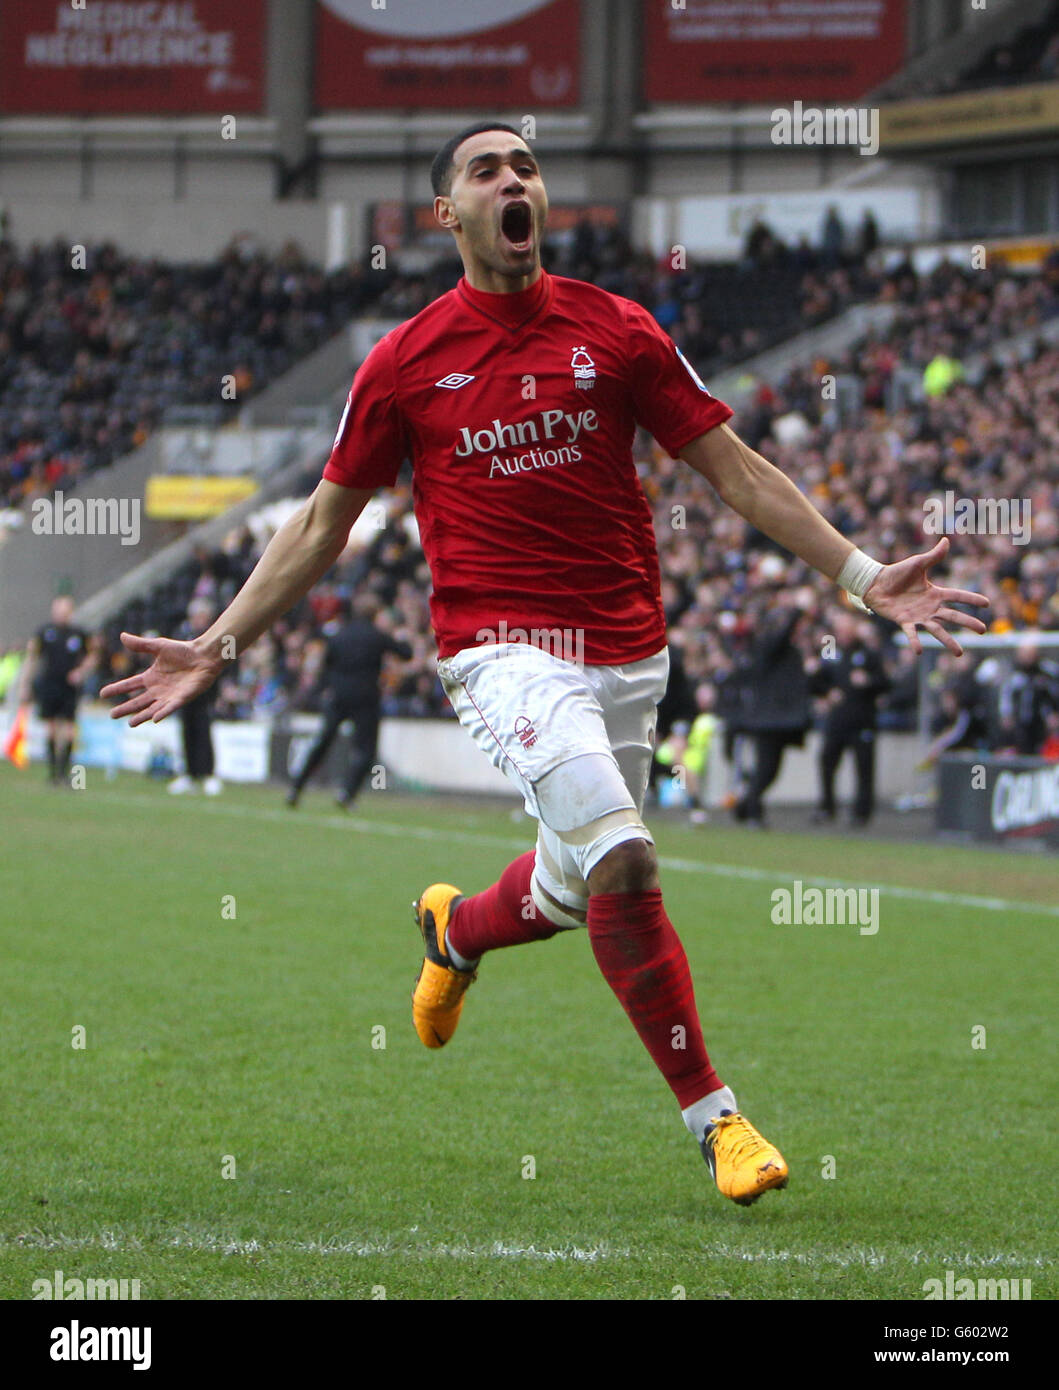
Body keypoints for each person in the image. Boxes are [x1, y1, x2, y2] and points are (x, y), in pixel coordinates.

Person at [101, 121, 989, 1208]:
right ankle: (718, 1120)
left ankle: (455, 928)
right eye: (488, 169)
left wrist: (861, 574)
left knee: (573, 885)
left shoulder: (618, 330)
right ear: (449, 214)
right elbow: (321, 524)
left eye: (526, 165)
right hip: (500, 655)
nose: (514, 179)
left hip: (627, 653)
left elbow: (734, 468)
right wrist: (216, 643)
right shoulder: (403, 363)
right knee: (626, 857)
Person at [285, 593, 412, 809]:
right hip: (365, 698)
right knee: (365, 749)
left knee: (322, 743)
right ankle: (347, 793)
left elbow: (325, 666)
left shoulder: (339, 635)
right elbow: (406, 653)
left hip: (338, 695)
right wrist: (398, 634)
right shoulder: (377, 636)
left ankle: (296, 787)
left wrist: (322, 690)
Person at [732, 587, 812, 827]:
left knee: (770, 770)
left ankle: (745, 807)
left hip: (778, 720)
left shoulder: (784, 651)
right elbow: (782, 636)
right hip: (769, 719)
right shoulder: (765, 644)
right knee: (766, 768)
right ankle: (752, 812)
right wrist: (798, 610)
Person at [807, 608, 891, 826]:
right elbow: (817, 680)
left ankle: (862, 812)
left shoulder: (868, 654)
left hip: (862, 719)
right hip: (837, 720)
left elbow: (885, 683)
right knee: (827, 761)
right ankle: (827, 806)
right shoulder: (831, 651)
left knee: (863, 767)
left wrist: (868, 682)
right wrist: (826, 693)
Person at [18, 595, 95, 784]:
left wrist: (81, 671)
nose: (61, 615)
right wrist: (25, 684)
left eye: (65, 611)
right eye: (58, 611)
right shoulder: (44, 632)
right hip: (49, 684)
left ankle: (65, 773)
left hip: (69, 687)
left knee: (68, 729)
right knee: (51, 728)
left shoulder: (79, 633)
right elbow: (32, 658)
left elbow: (92, 656)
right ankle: (53, 774)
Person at [168, 598, 222, 796]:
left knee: (204, 733)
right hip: (183, 692)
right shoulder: (182, 633)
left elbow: (225, 658)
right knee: (186, 733)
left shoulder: (212, 635)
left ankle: (208, 774)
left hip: (205, 692)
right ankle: (188, 774)